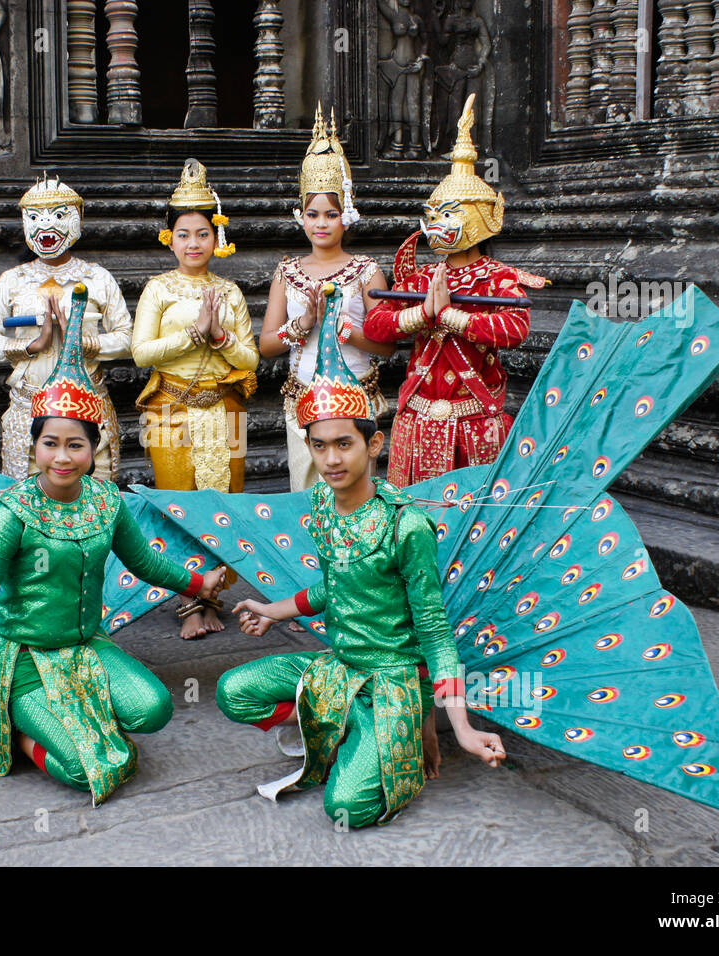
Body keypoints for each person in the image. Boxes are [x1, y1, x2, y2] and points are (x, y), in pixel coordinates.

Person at [0, 284, 226, 805]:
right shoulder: (13, 513)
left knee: (154, 709)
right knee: (92, 767)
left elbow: (143, 562)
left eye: (76, 444)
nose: (62, 457)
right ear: (35, 446)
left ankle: (77, 714)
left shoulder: (105, 502)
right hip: (24, 660)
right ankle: (17, 729)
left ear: (95, 449)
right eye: (51, 443)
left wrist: (198, 582)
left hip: (85, 648)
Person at [218, 282, 505, 828]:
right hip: (340, 669)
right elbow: (337, 588)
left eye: (344, 443)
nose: (330, 459)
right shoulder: (323, 510)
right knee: (236, 692)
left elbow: (434, 628)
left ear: (373, 445)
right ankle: (355, 731)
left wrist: (457, 725)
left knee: (347, 807)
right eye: (319, 445)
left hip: (394, 678)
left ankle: (396, 733)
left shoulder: (407, 526)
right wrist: (274, 609)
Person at [364, 92, 546, 487]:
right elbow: (376, 325)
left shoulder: (499, 278)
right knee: (415, 518)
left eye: (449, 216)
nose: (438, 227)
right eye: (433, 217)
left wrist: (450, 315)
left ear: (482, 218)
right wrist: (422, 314)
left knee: (472, 518)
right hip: (416, 415)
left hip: (473, 419)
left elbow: (515, 330)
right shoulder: (420, 279)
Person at [132, 158, 259, 639]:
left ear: (216, 237)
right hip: (169, 406)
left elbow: (249, 360)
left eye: (202, 234)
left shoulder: (229, 291)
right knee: (177, 506)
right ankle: (189, 604)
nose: (193, 244)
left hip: (223, 407)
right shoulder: (158, 289)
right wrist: (193, 334)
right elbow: (142, 353)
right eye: (183, 234)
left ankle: (214, 597)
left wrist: (222, 338)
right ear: (170, 238)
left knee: (223, 506)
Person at [260, 105, 393, 493]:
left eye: (331, 214)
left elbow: (387, 346)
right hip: (303, 397)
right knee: (305, 491)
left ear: (346, 216)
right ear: (300, 215)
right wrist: (301, 326)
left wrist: (347, 332)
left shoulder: (367, 270)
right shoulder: (287, 273)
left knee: (355, 491)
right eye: (313, 214)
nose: (321, 223)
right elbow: (266, 346)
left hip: (356, 398)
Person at [0, 175, 132, 481]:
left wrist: (79, 339)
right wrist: (32, 345)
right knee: (31, 508)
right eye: (35, 217)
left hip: (87, 408)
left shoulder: (97, 278)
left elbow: (128, 339)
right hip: (29, 409)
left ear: (77, 219)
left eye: (59, 215)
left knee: (92, 505)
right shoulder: (12, 280)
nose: (46, 226)